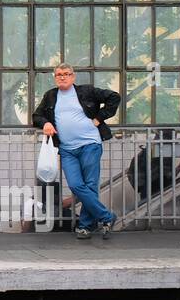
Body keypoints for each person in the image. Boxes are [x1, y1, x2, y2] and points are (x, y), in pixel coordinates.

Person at [32, 63, 121, 240]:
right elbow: (36, 116)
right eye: (58, 75)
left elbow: (114, 97)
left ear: (73, 77)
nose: (62, 77)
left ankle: (85, 226)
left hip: (90, 145)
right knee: (75, 185)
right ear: (55, 78)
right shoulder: (50, 96)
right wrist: (46, 123)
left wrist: (98, 118)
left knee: (89, 185)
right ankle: (107, 217)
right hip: (67, 150)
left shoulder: (86, 91)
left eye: (66, 74)